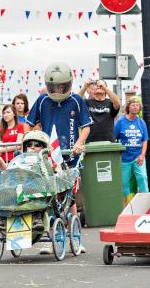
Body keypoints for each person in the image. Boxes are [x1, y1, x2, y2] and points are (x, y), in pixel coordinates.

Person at [26, 62, 91, 255]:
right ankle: (52, 238)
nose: (58, 90)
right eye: (54, 86)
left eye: (62, 86)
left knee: (69, 197)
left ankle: (75, 238)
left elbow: (86, 127)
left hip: (70, 156)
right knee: (49, 197)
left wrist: (79, 143)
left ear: (69, 84)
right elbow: (28, 124)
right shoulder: (42, 100)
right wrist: (30, 141)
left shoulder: (77, 101)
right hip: (48, 157)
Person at [115, 97, 149, 197]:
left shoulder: (141, 122)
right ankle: (127, 203)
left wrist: (142, 155)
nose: (135, 107)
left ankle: (146, 200)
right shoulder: (120, 122)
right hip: (124, 158)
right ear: (128, 107)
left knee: (142, 178)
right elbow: (114, 138)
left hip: (138, 157)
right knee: (124, 183)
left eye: (137, 105)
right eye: (133, 105)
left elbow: (144, 140)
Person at [81, 79, 121, 144]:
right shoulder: (87, 102)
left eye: (101, 85)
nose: (99, 86)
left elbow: (118, 104)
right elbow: (76, 101)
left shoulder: (110, 102)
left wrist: (105, 87)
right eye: (96, 85)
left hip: (109, 142)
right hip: (90, 142)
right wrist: (85, 87)